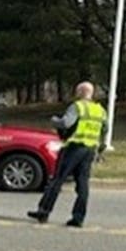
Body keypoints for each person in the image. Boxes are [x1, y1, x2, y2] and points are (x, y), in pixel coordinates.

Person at [27, 81, 107, 227]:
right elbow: (104, 130)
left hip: (73, 148)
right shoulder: (100, 110)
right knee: (83, 184)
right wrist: (100, 149)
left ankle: (44, 211)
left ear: (80, 92)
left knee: (57, 180)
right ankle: (78, 217)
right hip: (89, 150)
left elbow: (66, 123)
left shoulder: (77, 106)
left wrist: (54, 120)